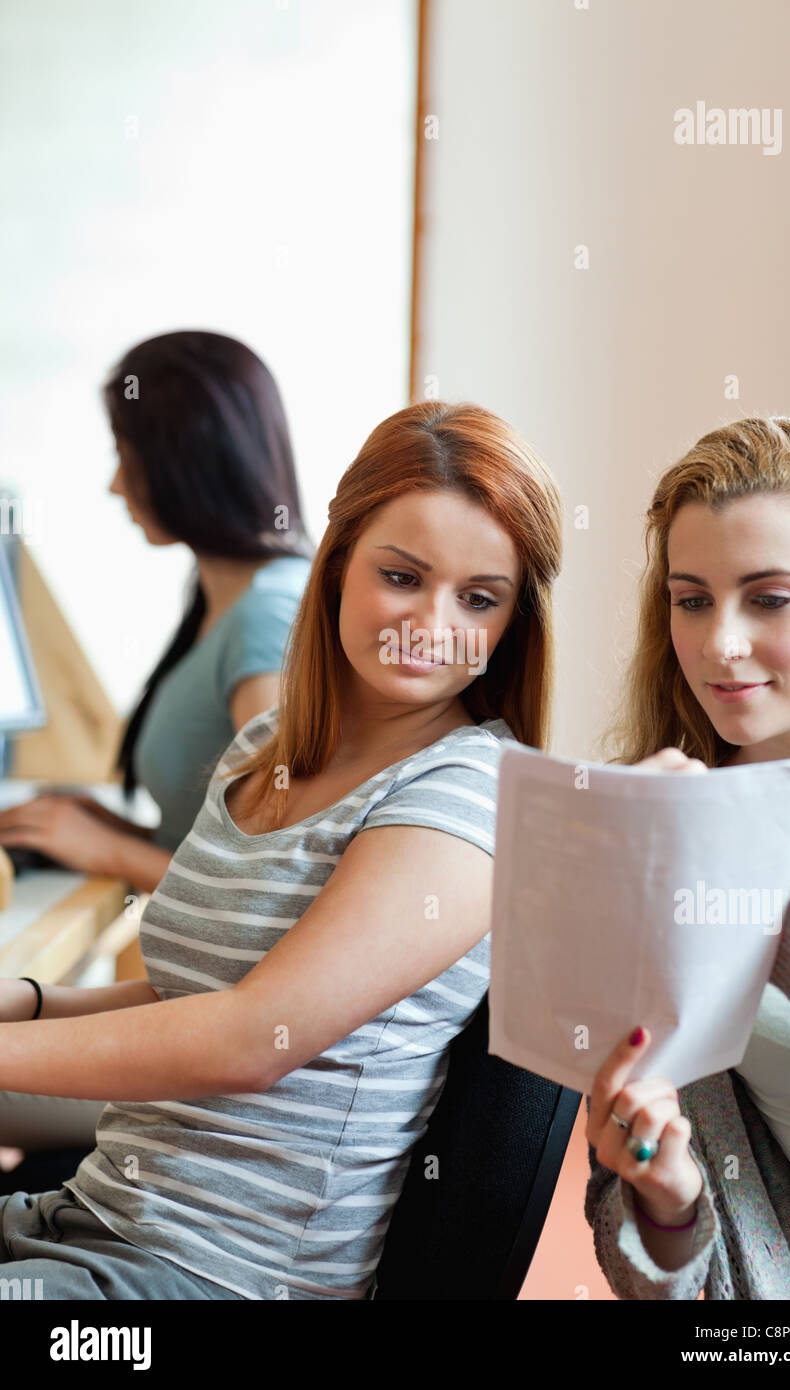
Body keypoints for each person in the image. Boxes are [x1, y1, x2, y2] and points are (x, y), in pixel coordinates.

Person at [0, 398, 563, 1300]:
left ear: (509, 625)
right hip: (94, 1221)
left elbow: (248, 1038)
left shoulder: (469, 794)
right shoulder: (268, 744)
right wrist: (29, 1000)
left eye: (478, 598)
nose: (432, 620)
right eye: (403, 576)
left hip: (217, 1279)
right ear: (339, 564)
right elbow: (191, 993)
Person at [0, 329, 314, 1189]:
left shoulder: (266, 620)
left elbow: (270, 895)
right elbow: (220, 827)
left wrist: (116, 853)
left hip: (198, 1079)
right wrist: (105, 825)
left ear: (185, 459)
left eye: (126, 454)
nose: (113, 483)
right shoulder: (224, 598)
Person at [585, 416, 790, 1300]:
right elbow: (671, 1284)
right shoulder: (657, 836)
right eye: (692, 598)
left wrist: (748, 860)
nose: (719, 644)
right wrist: (666, 1204)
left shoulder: (702, 836)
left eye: (769, 598)